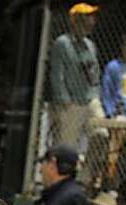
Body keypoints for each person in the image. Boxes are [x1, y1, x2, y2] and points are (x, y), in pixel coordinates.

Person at [48, 2, 103, 151]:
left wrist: (96, 94)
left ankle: (87, 173)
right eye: (88, 17)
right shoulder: (62, 43)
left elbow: (95, 73)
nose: (92, 20)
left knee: (101, 135)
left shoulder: (90, 45)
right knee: (67, 147)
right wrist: (64, 101)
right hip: (71, 102)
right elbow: (57, 75)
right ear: (77, 20)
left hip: (90, 98)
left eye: (92, 17)